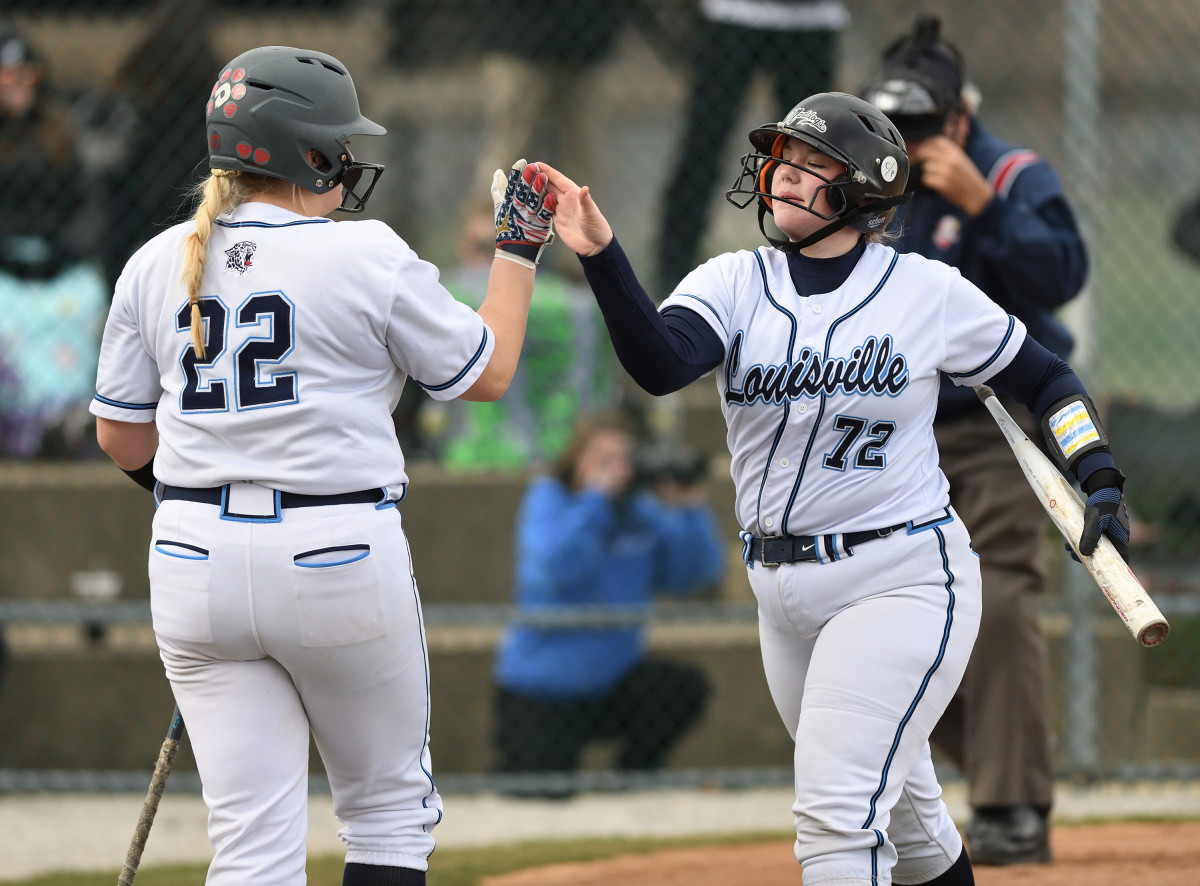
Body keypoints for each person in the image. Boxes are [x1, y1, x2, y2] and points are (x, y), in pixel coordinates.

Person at [538, 89, 1131, 884]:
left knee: (835, 816)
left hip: (900, 578)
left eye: (811, 163)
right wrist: (602, 255)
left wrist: (1097, 471)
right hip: (782, 594)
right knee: (914, 832)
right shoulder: (733, 281)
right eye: (782, 158)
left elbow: (1049, 380)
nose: (783, 173)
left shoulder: (924, 292)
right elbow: (659, 363)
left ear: (860, 192)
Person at [88, 44, 555, 886]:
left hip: (191, 555)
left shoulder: (156, 259)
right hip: (333, 550)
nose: (346, 155)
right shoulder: (363, 251)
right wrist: (517, 249)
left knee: (251, 845)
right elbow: (486, 373)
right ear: (301, 152)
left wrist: (208, 513)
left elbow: (121, 437)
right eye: (336, 142)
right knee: (385, 815)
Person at [857, 15, 1090, 865]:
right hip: (893, 430)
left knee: (998, 600)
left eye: (923, 124)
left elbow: (1060, 276)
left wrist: (983, 208)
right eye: (893, 125)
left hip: (996, 424)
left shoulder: (1010, 173)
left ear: (960, 117)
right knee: (880, 620)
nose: (908, 141)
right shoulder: (866, 179)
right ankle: (982, 767)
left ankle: (1011, 804)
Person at [491, 409, 723, 796]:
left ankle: (631, 779)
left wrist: (689, 508)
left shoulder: (640, 513)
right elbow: (556, 572)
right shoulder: (548, 499)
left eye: (624, 459)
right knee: (540, 799)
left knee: (682, 687)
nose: (617, 469)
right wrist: (595, 502)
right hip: (543, 691)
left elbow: (694, 575)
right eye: (603, 459)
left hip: (612, 683)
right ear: (578, 461)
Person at [656, 0, 850, 292]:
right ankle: (673, 276)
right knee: (703, 144)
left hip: (810, 20)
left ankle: (811, 271)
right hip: (734, 14)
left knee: (816, 152)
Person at [0, 21, 108, 458]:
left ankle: (66, 414)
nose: (17, 84)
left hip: (59, 262)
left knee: (88, 294)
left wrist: (68, 250)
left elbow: (91, 206)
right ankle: (18, 417)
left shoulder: (62, 130)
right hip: (5, 264)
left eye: (26, 73)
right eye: (7, 74)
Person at [436, 210, 616, 469]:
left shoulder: (565, 305)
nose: (484, 262)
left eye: (495, 247)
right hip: (468, 452)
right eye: (478, 246)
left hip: (550, 451)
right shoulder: (455, 295)